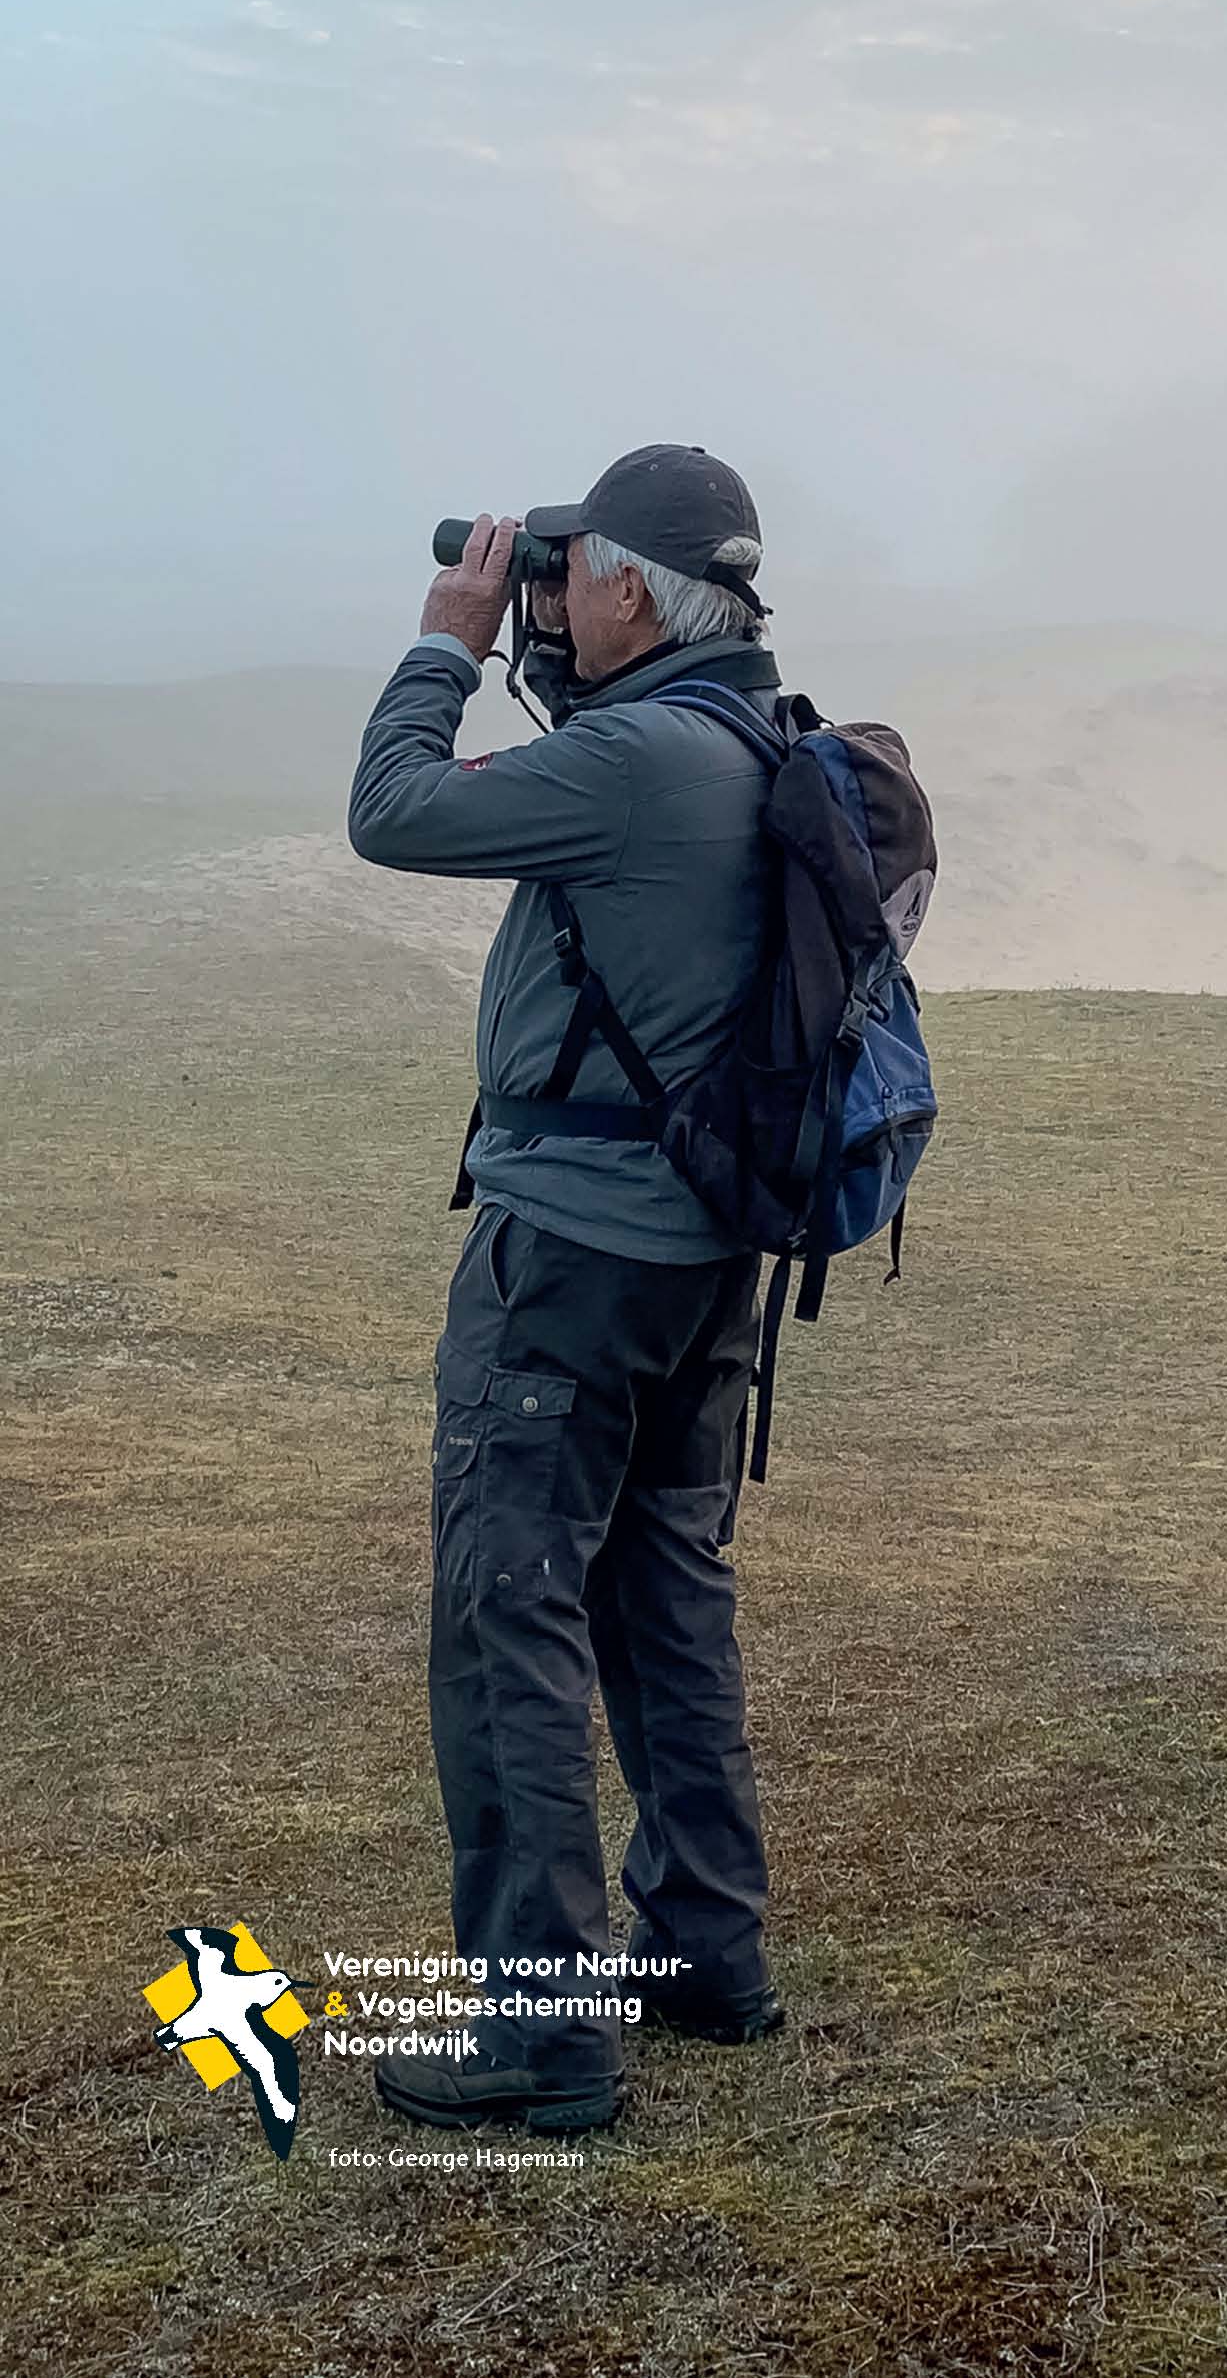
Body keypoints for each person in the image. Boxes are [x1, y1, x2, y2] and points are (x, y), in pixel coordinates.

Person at [347, 445, 792, 2134]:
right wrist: (530, 642)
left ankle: (540, 2032)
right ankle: (701, 1945)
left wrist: (446, 636)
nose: (546, 588)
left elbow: (394, 812)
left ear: (627, 586)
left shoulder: (629, 762)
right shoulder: (749, 734)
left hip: (574, 1257)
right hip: (702, 1256)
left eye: (567, 565)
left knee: (508, 1608)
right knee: (658, 1593)